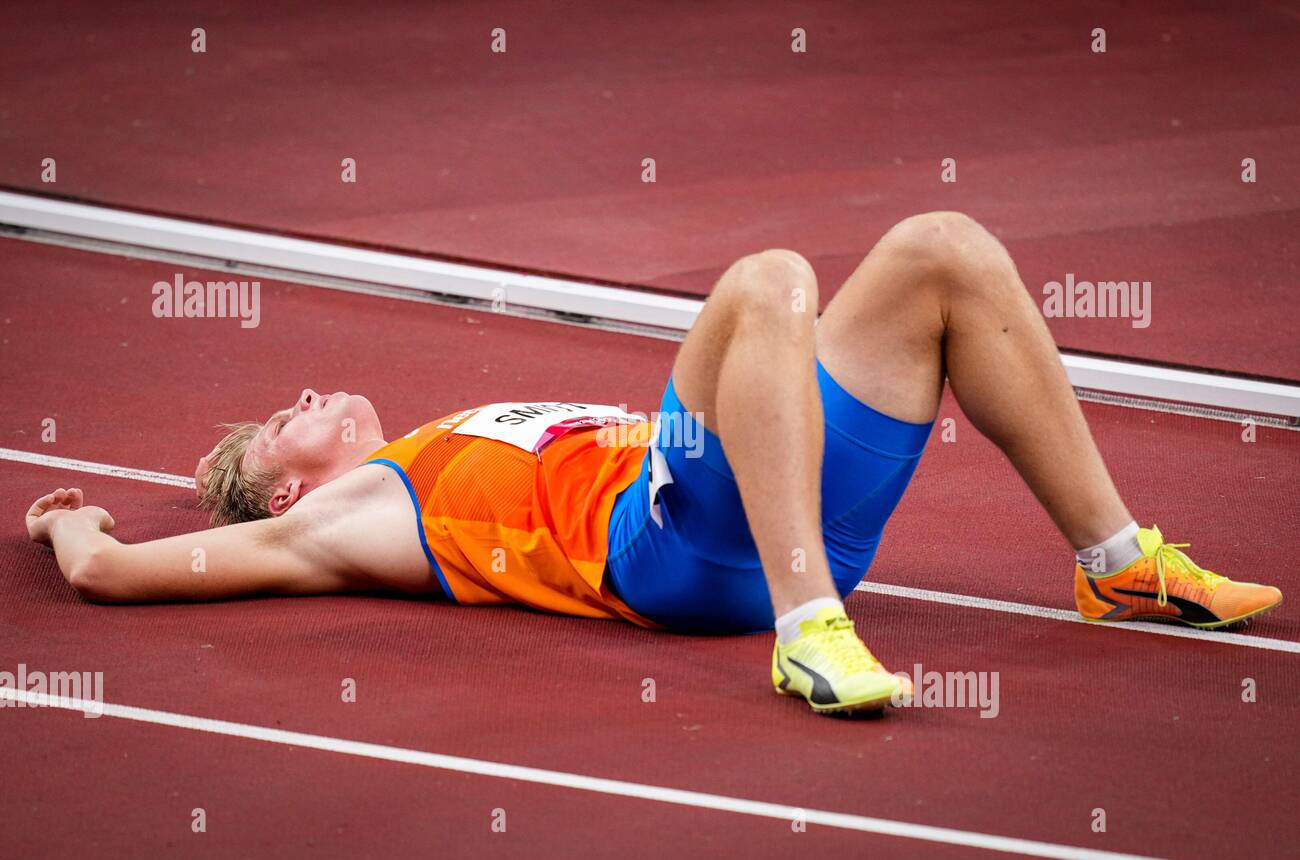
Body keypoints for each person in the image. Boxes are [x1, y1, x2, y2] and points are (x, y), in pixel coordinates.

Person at [25, 213, 1282, 715]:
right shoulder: (349, 512)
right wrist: (67, 534)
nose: (301, 399)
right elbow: (127, 572)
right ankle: (809, 631)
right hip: (671, 547)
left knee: (940, 248)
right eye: (275, 422)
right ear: (289, 486)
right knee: (770, 281)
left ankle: (1117, 564)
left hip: (768, 493)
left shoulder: (437, 434)